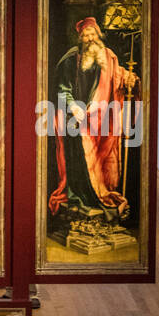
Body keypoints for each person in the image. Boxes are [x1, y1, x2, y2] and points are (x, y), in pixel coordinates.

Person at [49, 16, 137, 219]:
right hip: (76, 117)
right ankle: (79, 200)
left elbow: (119, 75)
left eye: (92, 34)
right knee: (79, 158)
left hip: (101, 118)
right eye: (85, 35)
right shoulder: (71, 59)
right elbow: (62, 89)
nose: (90, 38)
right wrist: (73, 107)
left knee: (99, 159)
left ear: (98, 35)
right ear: (80, 38)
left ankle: (97, 196)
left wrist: (130, 79)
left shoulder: (108, 56)